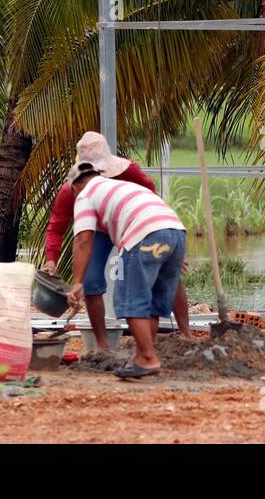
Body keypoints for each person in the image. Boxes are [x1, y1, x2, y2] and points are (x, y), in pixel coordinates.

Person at [42, 132, 190, 348]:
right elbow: (58, 227)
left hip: (136, 222)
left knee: (167, 273)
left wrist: (168, 248)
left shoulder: (129, 172)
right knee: (91, 281)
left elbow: (151, 201)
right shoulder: (73, 192)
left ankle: (183, 335)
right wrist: (52, 260)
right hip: (99, 229)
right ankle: (103, 346)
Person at [66, 162, 189, 379]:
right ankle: (140, 356)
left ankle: (149, 359)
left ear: (76, 186)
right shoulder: (121, 187)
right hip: (176, 233)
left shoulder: (86, 195)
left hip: (143, 236)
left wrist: (77, 282)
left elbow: (83, 241)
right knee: (150, 305)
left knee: (131, 300)